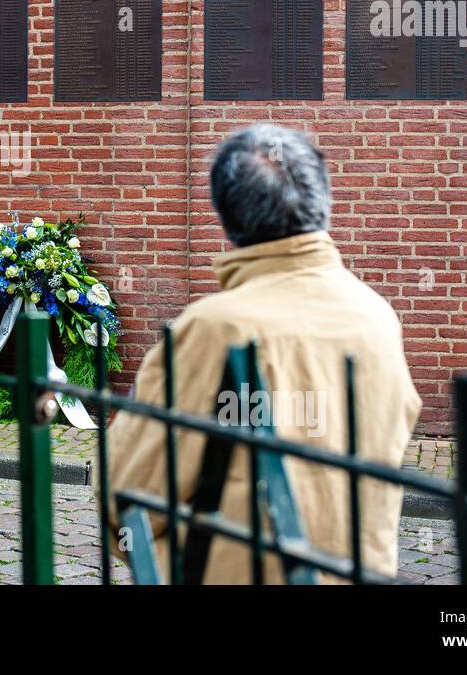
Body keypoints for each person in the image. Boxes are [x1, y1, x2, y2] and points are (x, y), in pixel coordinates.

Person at [102, 123, 422, 583]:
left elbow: (128, 496)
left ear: (228, 220)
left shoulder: (213, 327)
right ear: (321, 203)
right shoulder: (376, 316)